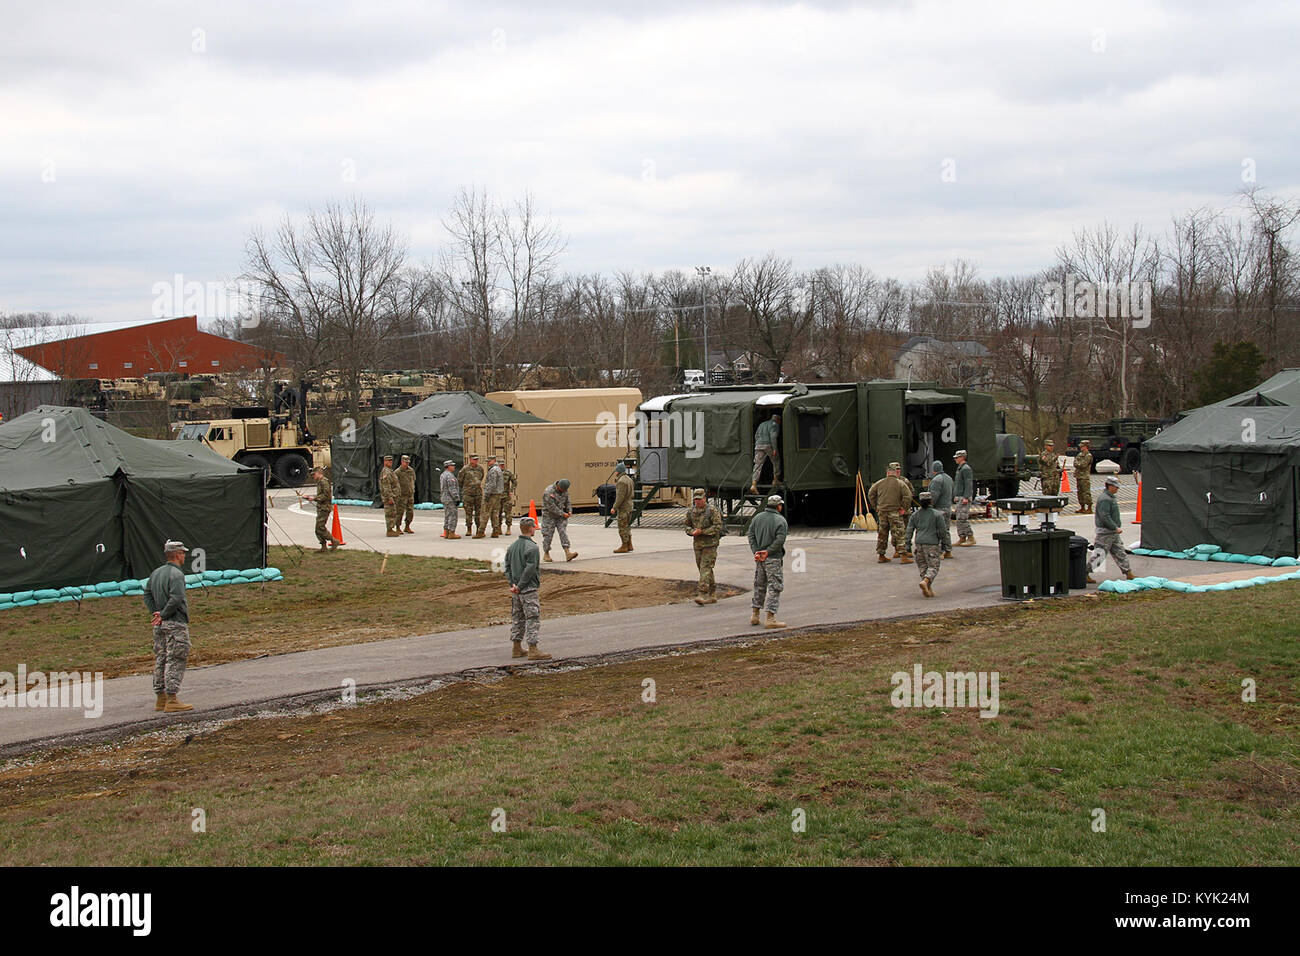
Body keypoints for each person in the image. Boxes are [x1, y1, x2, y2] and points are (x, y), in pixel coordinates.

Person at [144, 540, 194, 712]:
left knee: (161, 658)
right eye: (183, 553)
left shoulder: (156, 573)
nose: (184, 556)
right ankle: (172, 698)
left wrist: (156, 613)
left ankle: (160, 697)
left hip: (161, 625)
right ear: (178, 554)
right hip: (175, 622)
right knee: (176, 658)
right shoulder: (177, 575)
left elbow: (147, 594)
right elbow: (176, 598)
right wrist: (164, 613)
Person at [505, 516, 551, 660]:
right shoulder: (532, 548)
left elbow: (507, 567)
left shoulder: (512, 547)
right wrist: (521, 585)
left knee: (517, 618)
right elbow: (530, 570)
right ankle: (533, 648)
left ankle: (516, 647)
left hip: (516, 590)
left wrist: (513, 584)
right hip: (528, 589)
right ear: (531, 529)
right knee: (532, 617)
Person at [748, 494, 788, 628]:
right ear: (778, 506)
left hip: (759, 558)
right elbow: (779, 540)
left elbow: (751, 535)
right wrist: (768, 552)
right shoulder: (780, 521)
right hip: (773, 558)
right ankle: (770, 618)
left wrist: (756, 551)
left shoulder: (757, 518)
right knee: (775, 587)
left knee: (759, 585)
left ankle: (755, 614)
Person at [1090, 476, 1135, 583]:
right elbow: (1104, 516)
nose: (1117, 489)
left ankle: (1128, 573)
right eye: (1115, 487)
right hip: (1105, 533)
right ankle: (1084, 573)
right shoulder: (1105, 499)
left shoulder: (1110, 497)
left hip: (1112, 533)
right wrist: (1114, 527)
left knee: (1120, 553)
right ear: (1109, 486)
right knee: (1099, 555)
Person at [868, 461, 913, 563]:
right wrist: (904, 508)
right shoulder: (901, 483)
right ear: (895, 473)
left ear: (887, 473)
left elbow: (871, 494)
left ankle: (881, 555)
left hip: (882, 512)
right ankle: (903, 556)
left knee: (882, 533)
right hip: (894, 512)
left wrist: (876, 506)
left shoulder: (879, 483)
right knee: (899, 532)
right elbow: (908, 496)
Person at [685, 487, 723, 605]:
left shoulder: (711, 511)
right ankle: (712, 593)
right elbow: (687, 527)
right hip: (698, 545)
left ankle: (702, 593)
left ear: (705, 498)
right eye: (696, 499)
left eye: (700, 499)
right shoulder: (691, 512)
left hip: (710, 544)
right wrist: (692, 532)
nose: (698, 502)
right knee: (704, 569)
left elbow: (717, 526)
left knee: (705, 568)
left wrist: (703, 531)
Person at [905, 492, 946, 598]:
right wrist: (945, 544)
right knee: (934, 566)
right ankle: (926, 581)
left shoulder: (915, 515)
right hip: (932, 543)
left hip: (919, 543)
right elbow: (943, 531)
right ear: (931, 501)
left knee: (923, 566)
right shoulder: (937, 514)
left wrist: (908, 545)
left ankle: (928, 587)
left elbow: (909, 530)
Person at [305, 466, 344, 552]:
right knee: (318, 528)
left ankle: (334, 541)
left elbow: (326, 496)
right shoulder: (320, 482)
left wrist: (314, 498)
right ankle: (323, 546)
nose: (313, 477)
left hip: (324, 508)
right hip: (321, 507)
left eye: (314, 475)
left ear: (319, 473)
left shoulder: (324, 482)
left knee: (320, 527)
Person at [541, 478, 578, 562]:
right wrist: (562, 513)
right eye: (562, 489)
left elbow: (568, 502)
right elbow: (551, 507)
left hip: (560, 516)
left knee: (563, 532)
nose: (563, 491)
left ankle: (567, 553)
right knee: (548, 535)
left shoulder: (565, 491)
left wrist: (569, 511)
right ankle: (546, 553)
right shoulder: (549, 492)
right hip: (549, 516)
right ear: (558, 486)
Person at [748, 413, 782, 495]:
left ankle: (754, 485)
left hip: (758, 445)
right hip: (768, 445)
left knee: (758, 464)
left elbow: (756, 435)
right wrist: (774, 449)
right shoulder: (775, 424)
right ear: (778, 419)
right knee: (776, 461)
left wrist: (758, 443)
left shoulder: (762, 424)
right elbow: (773, 436)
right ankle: (775, 480)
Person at [928, 460, 954, 558]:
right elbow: (953, 493)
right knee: (946, 530)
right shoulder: (949, 479)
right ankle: (948, 551)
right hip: (947, 508)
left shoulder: (936, 480)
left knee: (937, 531)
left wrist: (928, 507)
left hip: (938, 509)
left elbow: (933, 496)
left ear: (934, 469)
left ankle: (939, 552)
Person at [953, 449, 976, 547]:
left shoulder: (966, 469)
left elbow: (968, 483)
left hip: (964, 497)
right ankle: (962, 537)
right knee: (958, 518)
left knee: (962, 518)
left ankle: (970, 537)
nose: (955, 459)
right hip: (959, 496)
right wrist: (956, 495)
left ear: (962, 457)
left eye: (957, 457)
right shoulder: (960, 468)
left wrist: (966, 497)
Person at [612, 462, 635, 553]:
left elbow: (620, 497)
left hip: (623, 507)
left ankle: (624, 546)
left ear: (618, 471)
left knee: (622, 526)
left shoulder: (621, 481)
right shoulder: (629, 479)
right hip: (630, 505)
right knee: (627, 526)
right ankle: (630, 544)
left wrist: (614, 507)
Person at [460, 454, 486, 538]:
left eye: (476, 460)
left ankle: (478, 529)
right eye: (474, 459)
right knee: (468, 513)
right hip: (468, 494)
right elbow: (460, 480)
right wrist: (467, 487)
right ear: (470, 460)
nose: (476, 461)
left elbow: (481, 477)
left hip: (478, 494)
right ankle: (469, 529)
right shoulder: (465, 469)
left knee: (478, 513)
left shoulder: (480, 469)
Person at [483, 455, 505, 538]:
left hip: (492, 494)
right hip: (498, 494)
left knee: (486, 512)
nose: (488, 463)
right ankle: (496, 530)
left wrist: (487, 494)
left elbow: (492, 483)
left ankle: (481, 531)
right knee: (495, 513)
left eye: (489, 461)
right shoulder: (498, 469)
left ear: (494, 460)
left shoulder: (493, 470)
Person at [439, 459, 461, 539]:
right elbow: (452, 489)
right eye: (452, 465)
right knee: (453, 515)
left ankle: (447, 531)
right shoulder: (450, 476)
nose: (454, 467)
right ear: (448, 467)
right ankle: (452, 532)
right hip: (450, 498)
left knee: (447, 515)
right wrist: (456, 498)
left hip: (444, 498)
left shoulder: (443, 475)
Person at [379, 454, 400, 537]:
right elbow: (386, 486)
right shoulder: (386, 472)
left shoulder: (390, 471)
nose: (390, 462)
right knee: (390, 513)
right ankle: (389, 530)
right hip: (389, 497)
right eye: (388, 461)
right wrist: (390, 497)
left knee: (393, 512)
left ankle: (391, 529)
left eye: (391, 461)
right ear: (384, 462)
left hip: (394, 496)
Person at [396, 454, 417, 534]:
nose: (407, 464)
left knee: (410, 512)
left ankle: (407, 526)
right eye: (405, 462)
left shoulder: (411, 470)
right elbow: (394, 483)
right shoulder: (398, 472)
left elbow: (413, 480)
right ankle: (397, 527)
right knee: (399, 512)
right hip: (401, 495)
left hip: (410, 494)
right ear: (401, 462)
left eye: (408, 462)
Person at [1074, 440, 1094, 514]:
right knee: (1080, 493)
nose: (1081, 448)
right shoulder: (1080, 454)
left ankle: (1089, 507)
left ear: (1086, 447)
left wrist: (1078, 464)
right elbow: (1075, 463)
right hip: (1079, 476)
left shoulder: (1088, 456)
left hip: (1084, 477)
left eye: (1082, 446)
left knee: (1086, 492)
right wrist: (1078, 464)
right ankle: (1082, 507)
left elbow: (1083, 465)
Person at [500, 466, 518, 535]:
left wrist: (511, 490)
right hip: (498, 496)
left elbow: (514, 482)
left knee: (508, 513)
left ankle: (508, 528)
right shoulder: (495, 472)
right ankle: (499, 528)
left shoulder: (508, 473)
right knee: (498, 513)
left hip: (506, 496)